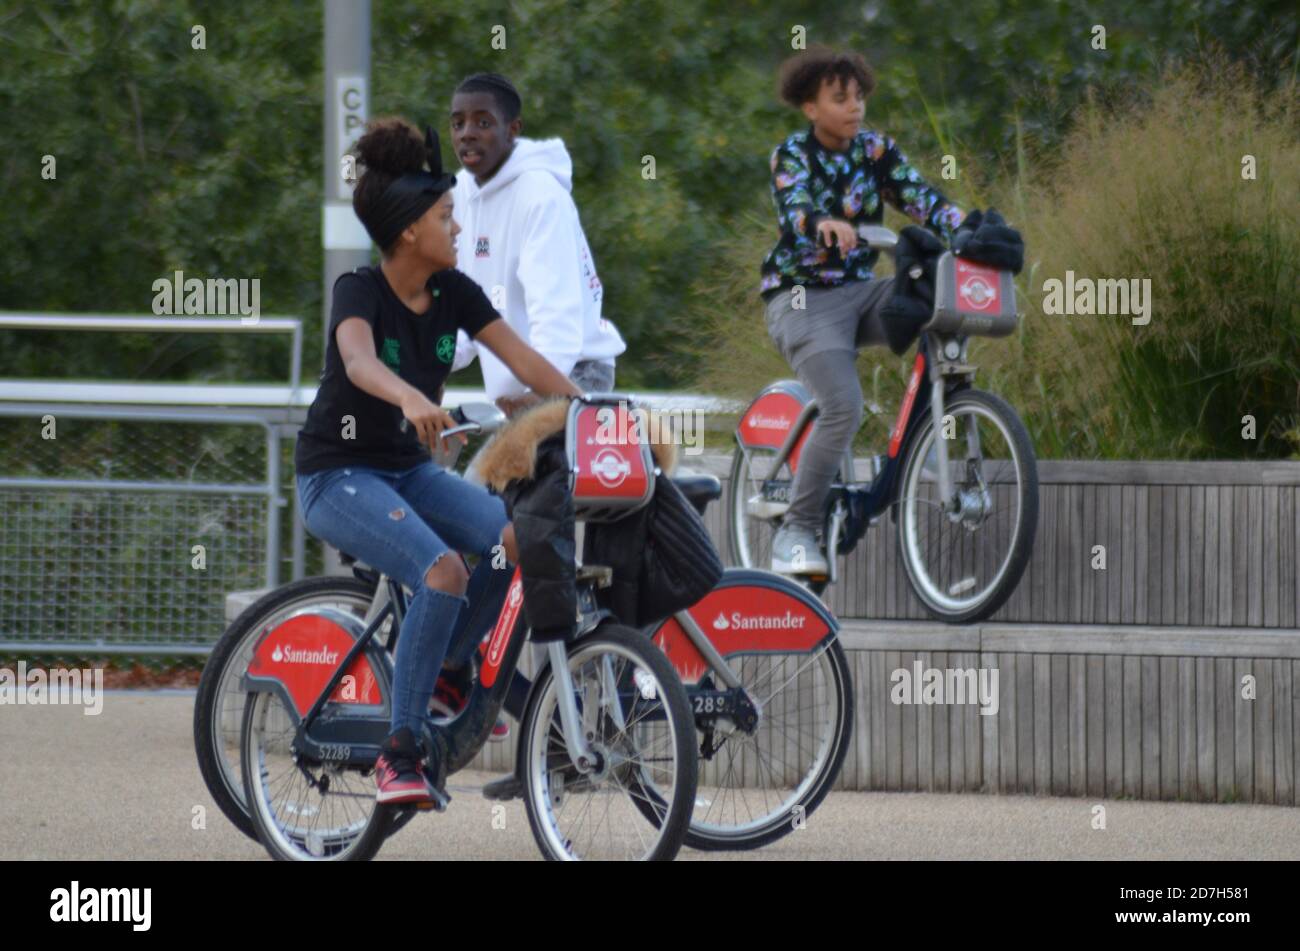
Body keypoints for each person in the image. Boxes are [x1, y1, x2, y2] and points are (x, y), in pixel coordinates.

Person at [293, 117, 582, 806]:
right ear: (408, 233)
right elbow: (360, 361)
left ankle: (450, 660)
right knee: (443, 569)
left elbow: (524, 359)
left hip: (407, 471)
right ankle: (401, 753)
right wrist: (411, 398)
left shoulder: (455, 293)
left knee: (514, 541)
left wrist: (594, 407)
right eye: (447, 217)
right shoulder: (358, 290)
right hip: (337, 474)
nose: (459, 229)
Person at [759, 47, 965, 576]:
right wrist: (822, 225)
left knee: (936, 301)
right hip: (801, 299)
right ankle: (797, 530)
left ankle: (924, 440)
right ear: (810, 107)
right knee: (844, 405)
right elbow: (796, 209)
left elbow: (922, 197)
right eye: (840, 97)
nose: (855, 107)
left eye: (859, 96)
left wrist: (969, 227)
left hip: (861, 291)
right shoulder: (792, 156)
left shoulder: (876, 151)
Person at [445, 72, 626, 413]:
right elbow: (462, 313)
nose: (467, 133)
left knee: (495, 468)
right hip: (515, 388)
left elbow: (556, 315)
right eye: (457, 124)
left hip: (571, 375)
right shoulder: (459, 195)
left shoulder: (541, 196)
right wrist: (415, 364)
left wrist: (538, 395)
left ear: (512, 129)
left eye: (483, 122)